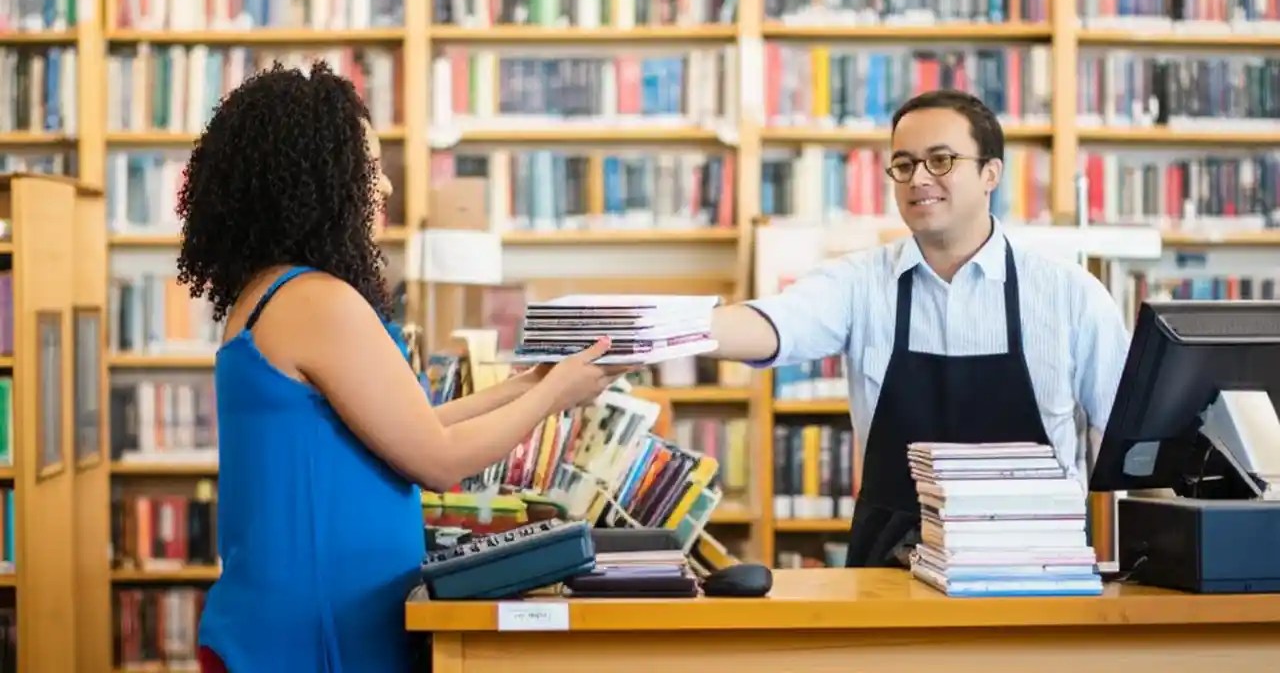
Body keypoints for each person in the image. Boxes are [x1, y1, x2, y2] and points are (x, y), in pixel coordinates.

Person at [179, 61, 630, 672]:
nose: (386, 188)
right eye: (371, 169)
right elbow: (438, 460)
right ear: (323, 180)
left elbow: (415, 424)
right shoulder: (316, 301)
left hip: (293, 625)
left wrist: (534, 383)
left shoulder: (273, 294)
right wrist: (554, 398)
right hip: (318, 638)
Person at [707, 89, 1131, 568]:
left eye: (941, 160)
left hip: (1033, 572)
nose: (919, 178)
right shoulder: (859, 283)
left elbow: (1129, 442)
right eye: (904, 165)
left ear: (991, 173)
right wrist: (655, 331)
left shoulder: (1072, 295)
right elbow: (774, 324)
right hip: (889, 573)